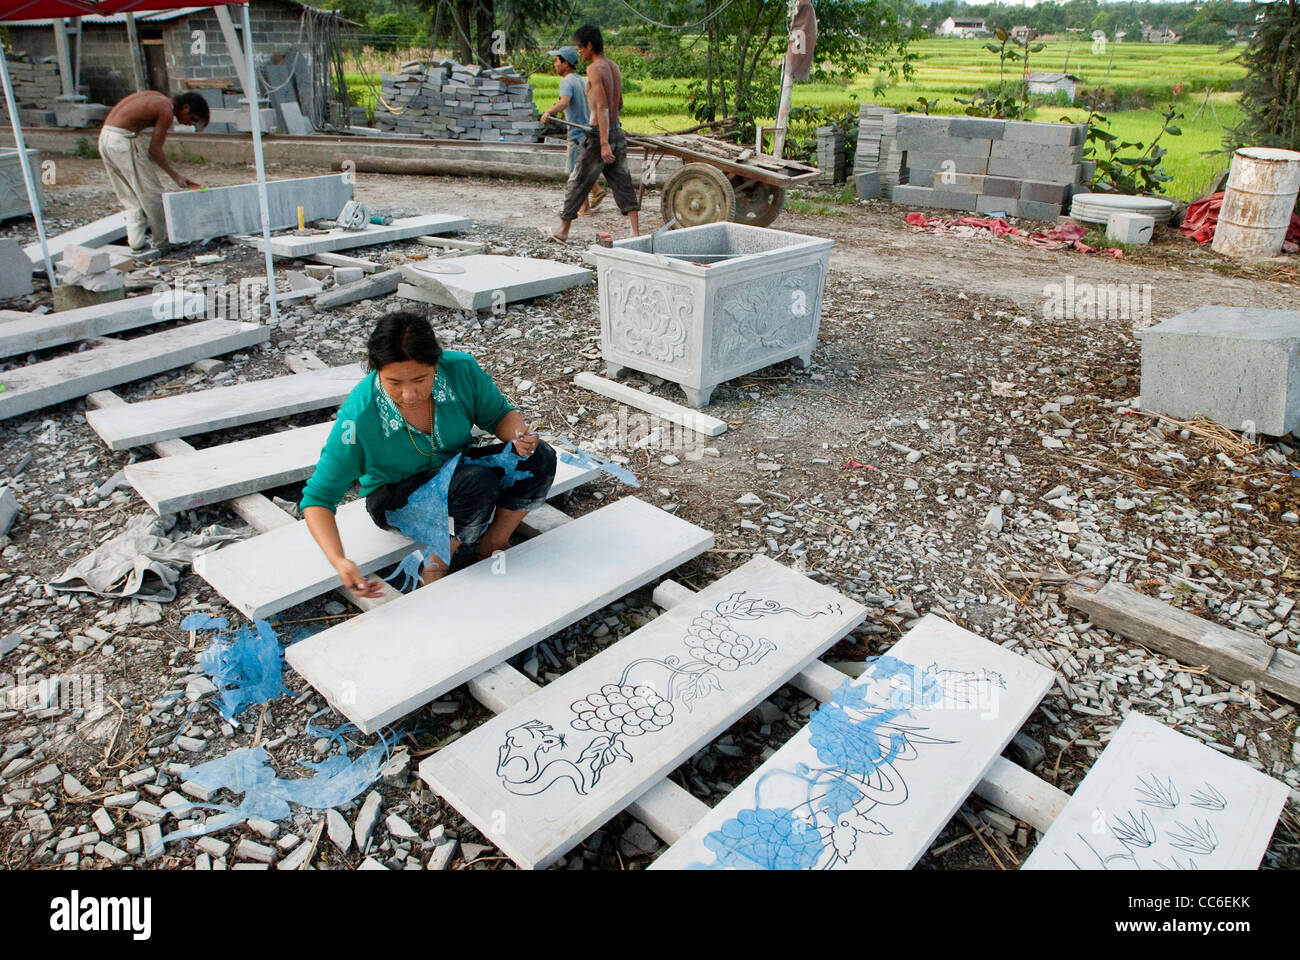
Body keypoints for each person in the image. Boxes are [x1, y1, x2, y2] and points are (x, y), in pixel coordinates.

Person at [300, 312, 557, 597]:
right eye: (394, 383)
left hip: (458, 473)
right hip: (396, 496)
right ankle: (437, 561)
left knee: (539, 457)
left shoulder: (460, 370)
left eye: (420, 379)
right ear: (376, 371)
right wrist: (340, 561)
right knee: (476, 483)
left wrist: (519, 436)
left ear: (436, 363)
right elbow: (319, 498)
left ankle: (494, 542)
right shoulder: (358, 417)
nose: (409, 394)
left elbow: (498, 415)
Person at [543, 24, 640, 242]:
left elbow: (603, 107)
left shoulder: (594, 69)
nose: (579, 52)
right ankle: (635, 233)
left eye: (580, 47)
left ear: (589, 45)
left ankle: (563, 230)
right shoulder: (613, 66)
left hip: (600, 136)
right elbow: (619, 103)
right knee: (623, 182)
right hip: (617, 132)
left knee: (578, 181)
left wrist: (603, 142)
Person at [99, 91, 209, 253]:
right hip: (122, 141)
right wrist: (176, 176)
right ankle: (163, 243)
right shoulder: (166, 110)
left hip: (105, 138)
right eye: (192, 119)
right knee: (153, 196)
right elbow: (154, 150)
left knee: (130, 197)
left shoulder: (157, 97)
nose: (189, 124)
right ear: (185, 107)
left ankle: (136, 243)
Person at [538, 45, 605, 217]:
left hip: (576, 133)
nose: (554, 64)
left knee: (576, 172)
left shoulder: (566, 81)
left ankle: (586, 206)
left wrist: (548, 112)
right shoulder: (580, 80)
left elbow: (565, 102)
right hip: (587, 130)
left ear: (566, 63)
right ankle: (595, 193)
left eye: (556, 60)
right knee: (581, 168)